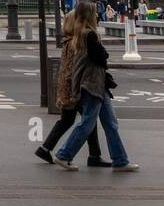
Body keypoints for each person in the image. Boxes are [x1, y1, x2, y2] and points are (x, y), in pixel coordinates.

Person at [54, 1, 138, 172]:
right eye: (95, 12)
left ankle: (120, 160)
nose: (98, 15)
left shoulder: (79, 33)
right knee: (87, 123)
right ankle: (64, 154)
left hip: (96, 84)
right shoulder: (89, 34)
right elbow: (101, 56)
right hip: (92, 84)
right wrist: (103, 53)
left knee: (110, 123)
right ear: (90, 15)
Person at [35, 12, 109, 166]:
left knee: (70, 120)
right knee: (88, 119)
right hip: (73, 88)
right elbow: (74, 68)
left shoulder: (67, 41)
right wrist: (75, 90)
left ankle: (45, 148)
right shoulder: (74, 43)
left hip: (67, 86)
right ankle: (92, 156)